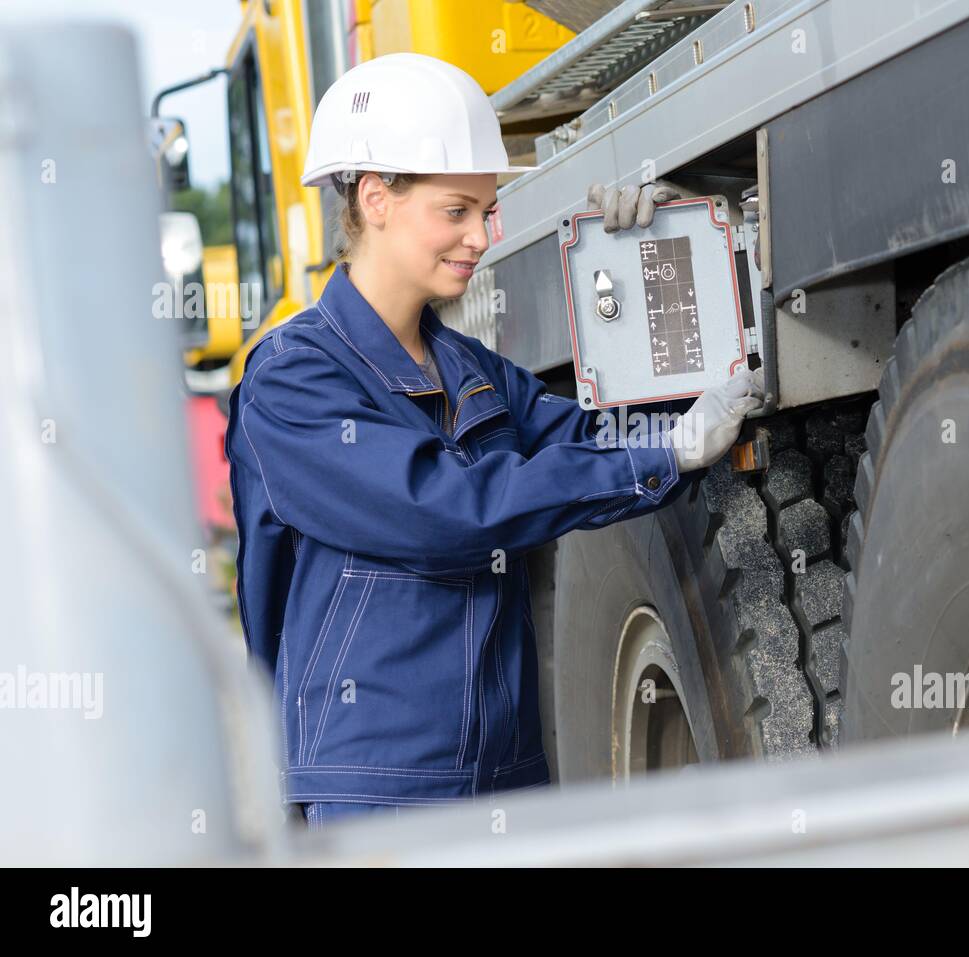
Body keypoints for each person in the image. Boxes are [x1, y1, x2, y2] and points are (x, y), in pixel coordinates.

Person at [226, 53, 764, 831]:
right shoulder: (292, 381)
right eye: (457, 210)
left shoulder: (470, 368)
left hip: (507, 776)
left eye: (489, 209)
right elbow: (444, 511)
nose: (482, 236)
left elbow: (598, 441)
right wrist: (663, 453)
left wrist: (670, 256)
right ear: (375, 199)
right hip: (376, 783)